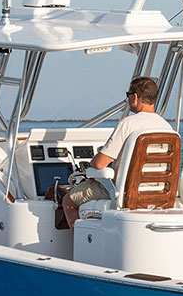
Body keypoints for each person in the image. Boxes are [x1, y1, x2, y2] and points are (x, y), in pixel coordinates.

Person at [62, 77, 172, 227]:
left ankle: (78, 248)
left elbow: (100, 164)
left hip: (124, 191)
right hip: (158, 190)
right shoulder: (166, 127)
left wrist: (91, 164)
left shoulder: (128, 124)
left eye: (128, 95)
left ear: (134, 97)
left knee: (68, 201)